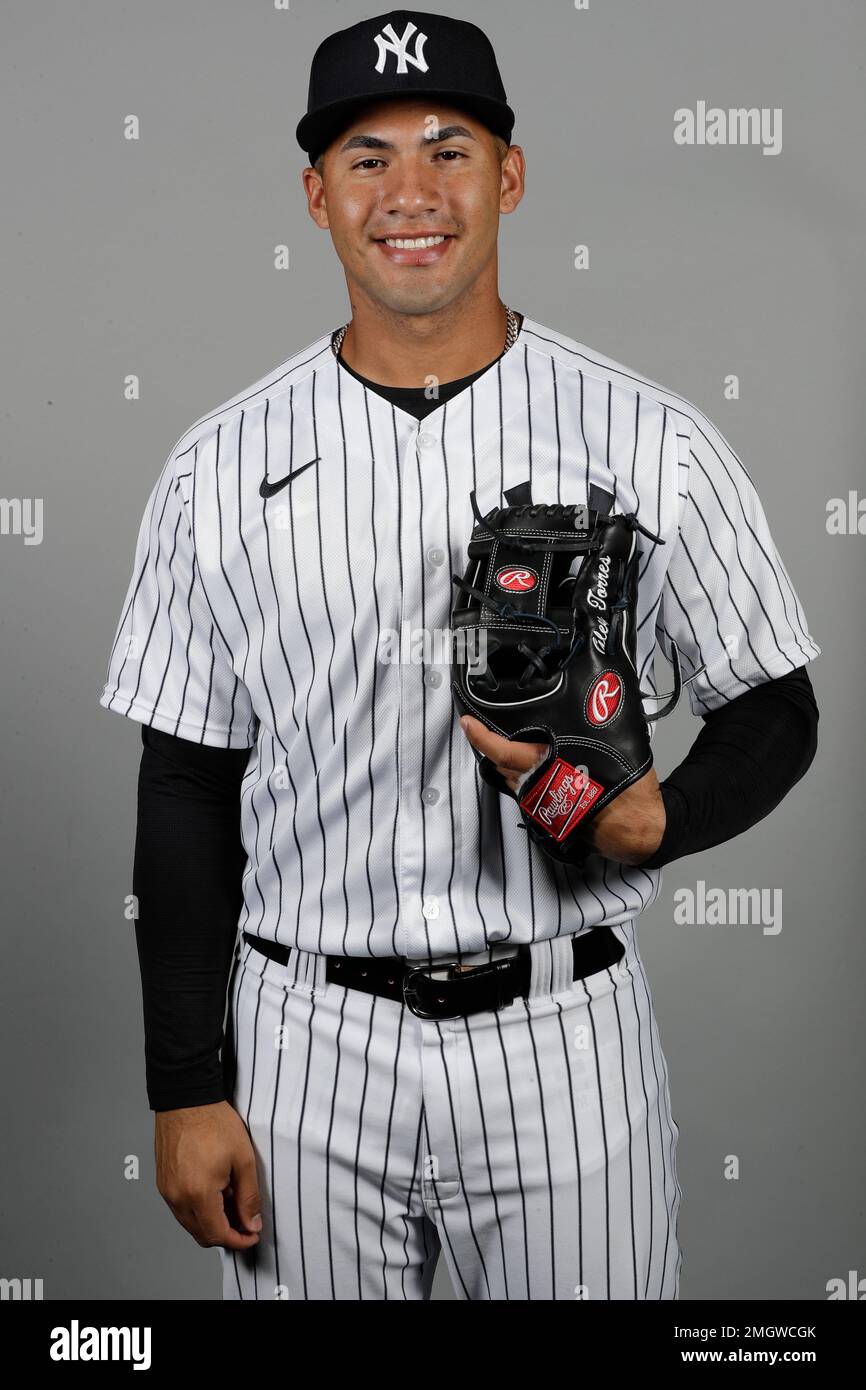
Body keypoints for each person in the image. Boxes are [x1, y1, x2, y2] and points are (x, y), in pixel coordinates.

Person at [99, 9, 819, 1300]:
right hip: (303, 1043)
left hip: (561, 1033)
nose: (410, 194)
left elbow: (775, 701)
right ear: (316, 196)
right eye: (367, 159)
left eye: (449, 150)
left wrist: (661, 819)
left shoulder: (648, 438)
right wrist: (183, 1086)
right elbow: (186, 782)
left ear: (510, 175)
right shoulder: (217, 467)